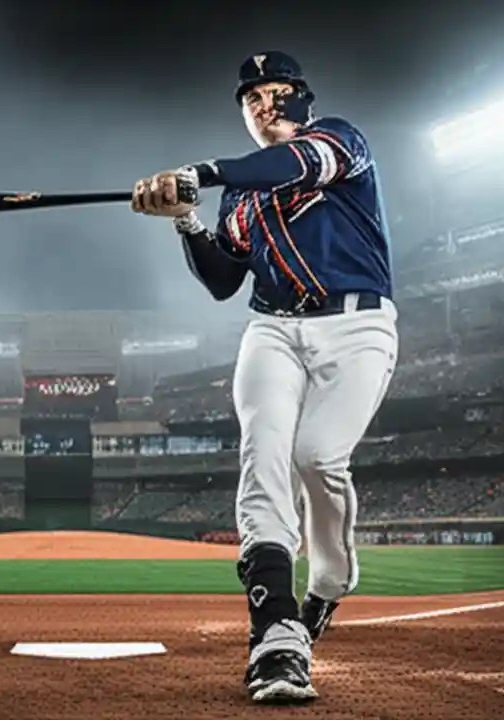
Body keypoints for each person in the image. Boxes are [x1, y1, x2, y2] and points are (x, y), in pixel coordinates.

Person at [130, 51, 398, 704]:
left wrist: (201, 173)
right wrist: (187, 219)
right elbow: (225, 280)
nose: (266, 106)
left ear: (304, 99)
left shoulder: (339, 140)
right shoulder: (243, 198)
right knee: (264, 452)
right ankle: (275, 630)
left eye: (278, 93)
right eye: (253, 100)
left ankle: (328, 584)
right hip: (271, 329)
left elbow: (296, 164)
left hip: (355, 326)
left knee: (316, 457)